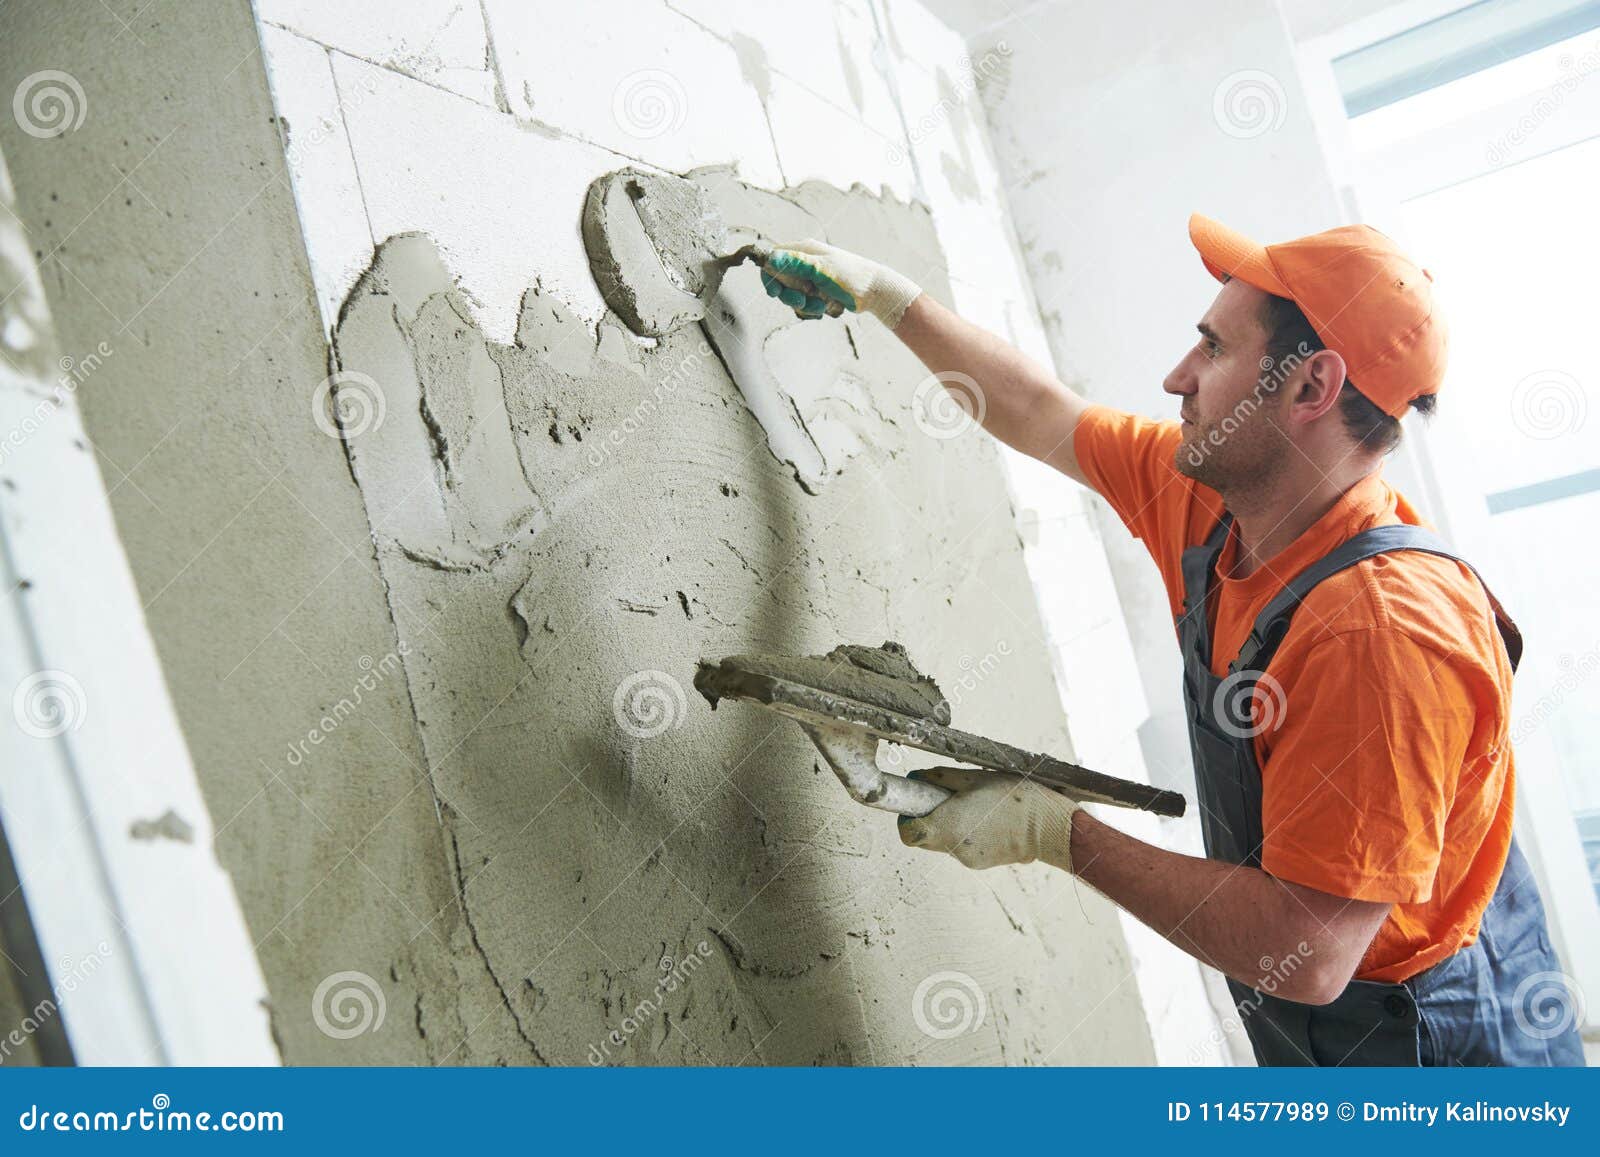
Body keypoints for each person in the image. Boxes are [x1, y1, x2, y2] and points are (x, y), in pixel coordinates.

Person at [754, 219, 1586, 1067]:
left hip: (1434, 1049)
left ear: (1312, 385)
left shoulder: (1383, 636)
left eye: (1213, 350)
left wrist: (1053, 832)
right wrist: (886, 295)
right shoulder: (1225, 502)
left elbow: (1309, 948)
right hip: (1319, 1009)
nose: (1176, 377)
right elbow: (1044, 413)